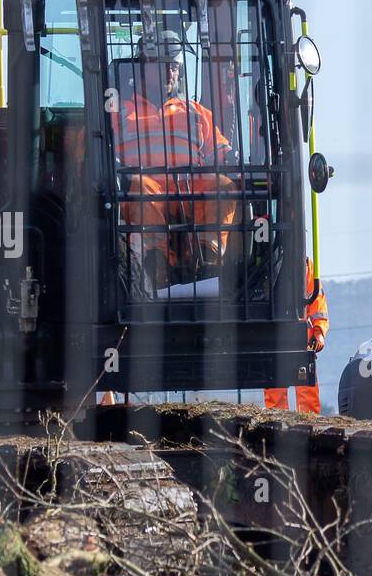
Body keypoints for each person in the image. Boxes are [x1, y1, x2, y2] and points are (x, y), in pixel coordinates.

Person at [113, 30, 240, 292]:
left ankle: (208, 259)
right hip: (148, 195)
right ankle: (153, 264)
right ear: (142, 68)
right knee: (140, 185)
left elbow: (220, 151)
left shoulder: (195, 112)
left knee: (224, 184)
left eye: (173, 67)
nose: (169, 73)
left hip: (190, 196)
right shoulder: (120, 113)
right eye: (161, 66)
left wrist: (230, 159)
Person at [264, 257, 328, 413]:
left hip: (299, 333)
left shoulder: (304, 264)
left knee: (305, 385)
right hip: (271, 331)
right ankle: (276, 424)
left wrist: (319, 331)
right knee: (275, 385)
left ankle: (309, 423)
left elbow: (316, 299)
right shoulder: (263, 263)